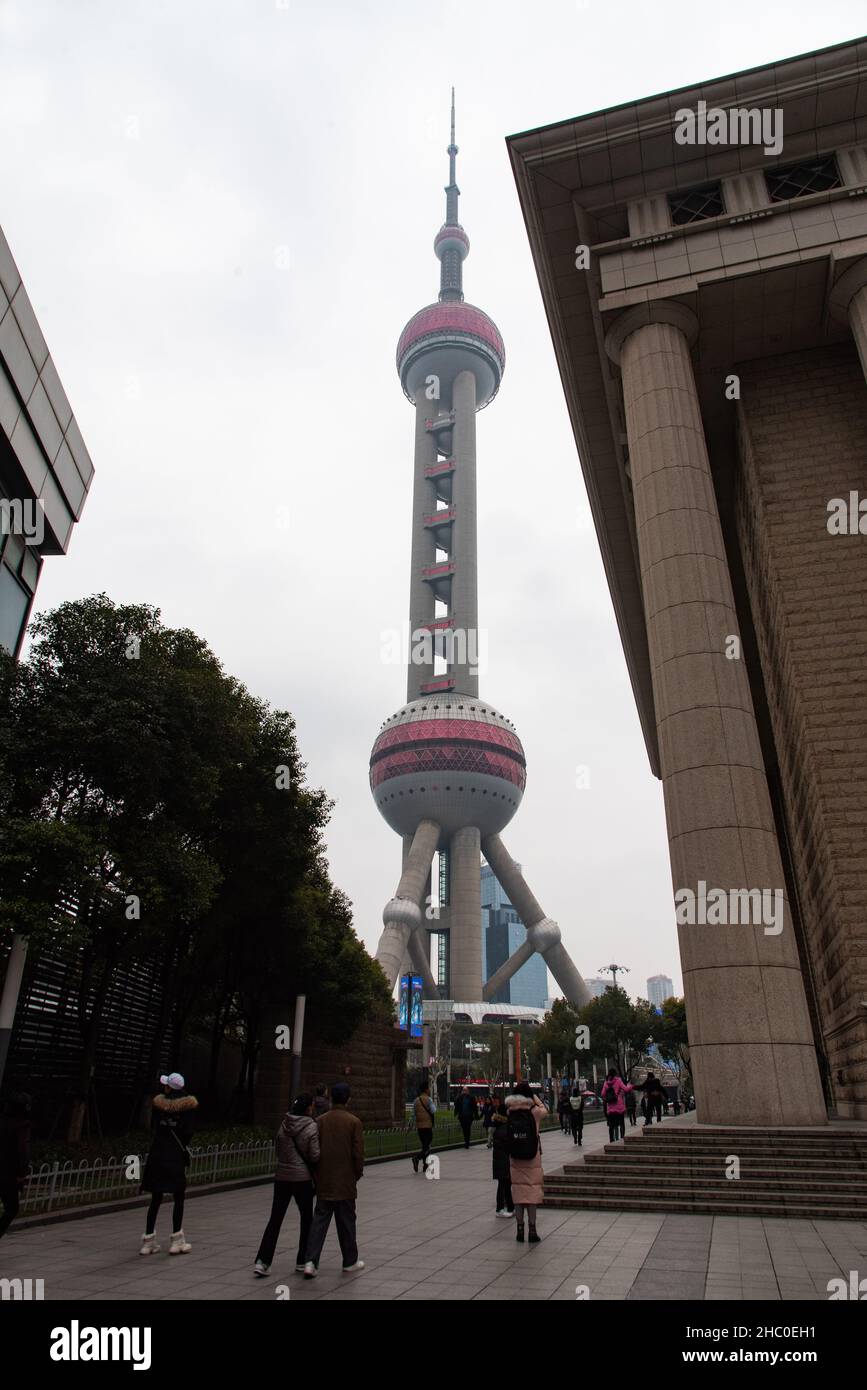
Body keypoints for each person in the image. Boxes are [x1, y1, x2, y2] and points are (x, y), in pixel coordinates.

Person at [254, 1092, 320, 1277]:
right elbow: (315, 1155)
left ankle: (262, 1261)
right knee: (306, 1219)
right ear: (308, 1108)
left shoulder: (284, 1124)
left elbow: (278, 1149)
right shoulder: (311, 1126)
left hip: (282, 1178)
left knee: (275, 1219)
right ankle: (302, 1260)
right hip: (302, 1179)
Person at [303, 1082, 364, 1278]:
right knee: (346, 1222)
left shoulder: (320, 1121)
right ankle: (350, 1261)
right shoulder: (354, 1122)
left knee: (319, 1222)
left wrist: (317, 1174)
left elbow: (313, 1150)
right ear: (347, 1099)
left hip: (325, 1180)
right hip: (345, 1181)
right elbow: (358, 1154)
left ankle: (310, 1262)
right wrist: (356, 1174)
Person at [140, 1072, 198, 1256]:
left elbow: (155, 1127)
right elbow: (188, 1132)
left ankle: (148, 1241)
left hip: (158, 1153)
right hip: (175, 1154)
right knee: (178, 1197)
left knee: (156, 1198)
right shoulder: (188, 1107)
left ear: (168, 1087)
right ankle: (176, 1240)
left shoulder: (159, 1104)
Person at [505, 1082, 547, 1244]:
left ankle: (519, 1229)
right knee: (532, 1193)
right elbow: (545, 1109)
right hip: (532, 1157)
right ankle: (533, 1230)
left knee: (518, 1193)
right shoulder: (535, 1112)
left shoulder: (510, 1112)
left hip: (515, 1156)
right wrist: (534, 1097)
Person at [0, 1091, 31, 1240]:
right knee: (12, 1208)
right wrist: (21, 1173)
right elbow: (21, 1150)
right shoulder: (21, 1125)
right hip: (7, 1174)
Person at [490, 1095, 513, 1217]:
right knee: (504, 1185)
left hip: (501, 1162)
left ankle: (510, 1207)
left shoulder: (500, 1129)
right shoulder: (504, 1130)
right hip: (503, 1162)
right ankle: (500, 1209)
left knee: (506, 1184)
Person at [600, 1069, 632, 1143]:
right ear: (615, 1074)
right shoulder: (618, 1080)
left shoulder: (606, 1082)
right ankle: (622, 1139)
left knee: (611, 1126)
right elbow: (626, 1089)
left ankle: (611, 1141)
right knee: (621, 1124)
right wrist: (630, 1086)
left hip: (610, 1108)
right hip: (619, 1107)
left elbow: (602, 1094)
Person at [412, 1082, 435, 1174]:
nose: (429, 1090)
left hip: (419, 1127)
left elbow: (413, 1115)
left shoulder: (416, 1100)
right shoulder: (429, 1099)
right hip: (427, 1126)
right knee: (427, 1146)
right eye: (428, 1088)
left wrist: (410, 1125)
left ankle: (425, 1165)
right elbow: (433, 1110)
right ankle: (416, 1158)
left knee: (424, 1145)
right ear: (426, 1090)